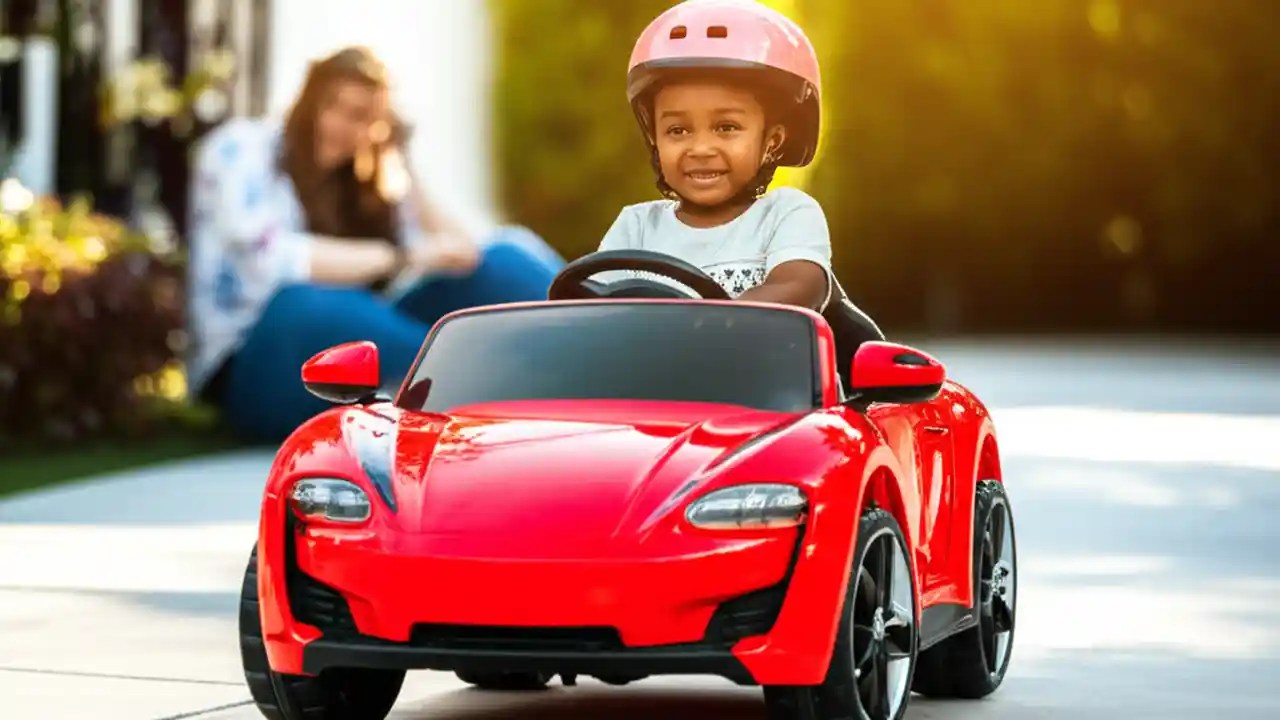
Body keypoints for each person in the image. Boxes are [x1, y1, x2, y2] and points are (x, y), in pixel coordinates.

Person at [185, 46, 564, 443]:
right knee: (313, 304)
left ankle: (607, 342)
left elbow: (463, 251)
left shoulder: (365, 179)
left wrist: (405, 158)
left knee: (502, 258)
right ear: (307, 99)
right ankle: (497, 390)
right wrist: (400, 258)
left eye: (364, 118)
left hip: (358, 343)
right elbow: (274, 259)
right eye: (335, 107)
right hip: (253, 364)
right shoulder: (241, 149)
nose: (344, 126)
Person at [596, 0, 833, 312]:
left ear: (771, 141)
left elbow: (800, 287)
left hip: (758, 361)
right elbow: (592, 309)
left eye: (726, 127)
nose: (701, 149)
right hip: (652, 362)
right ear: (655, 138)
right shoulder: (636, 227)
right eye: (678, 131)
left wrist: (708, 324)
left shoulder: (785, 215)